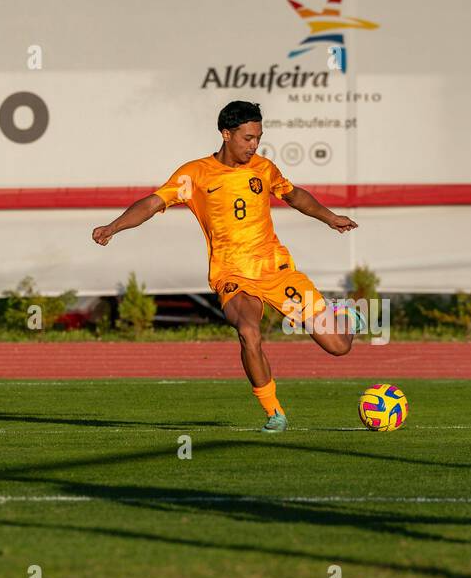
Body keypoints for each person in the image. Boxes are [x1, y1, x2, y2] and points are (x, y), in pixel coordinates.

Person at [92, 101, 362, 432]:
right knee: (248, 331)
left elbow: (295, 196)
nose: (254, 145)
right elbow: (151, 204)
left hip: (276, 272)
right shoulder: (195, 174)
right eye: (248, 138)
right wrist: (113, 227)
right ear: (226, 134)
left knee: (339, 347)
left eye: (258, 137)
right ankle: (274, 412)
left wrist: (331, 218)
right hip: (232, 275)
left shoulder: (264, 169)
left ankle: (347, 316)